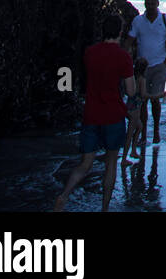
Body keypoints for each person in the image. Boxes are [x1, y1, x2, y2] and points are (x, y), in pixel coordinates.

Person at [54, 13, 135, 211]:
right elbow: (131, 90)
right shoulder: (123, 56)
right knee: (111, 164)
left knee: (85, 164)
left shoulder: (89, 53)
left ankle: (64, 195)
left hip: (91, 114)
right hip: (113, 115)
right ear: (120, 32)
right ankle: (104, 209)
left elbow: (82, 79)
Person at [125, 0, 166, 143]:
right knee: (142, 100)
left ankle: (156, 131)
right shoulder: (138, 20)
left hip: (159, 65)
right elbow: (129, 40)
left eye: (153, 4)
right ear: (144, 4)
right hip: (142, 67)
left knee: (155, 100)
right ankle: (144, 134)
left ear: (158, 4)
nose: (151, 7)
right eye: (148, 4)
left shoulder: (165, 19)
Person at [123, 57, 148, 158]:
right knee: (130, 133)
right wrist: (158, 95)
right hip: (135, 108)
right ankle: (124, 157)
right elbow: (143, 94)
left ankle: (133, 151)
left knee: (139, 127)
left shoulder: (132, 77)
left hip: (128, 106)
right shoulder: (142, 79)